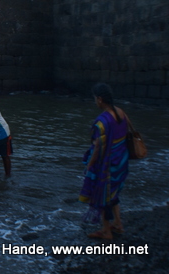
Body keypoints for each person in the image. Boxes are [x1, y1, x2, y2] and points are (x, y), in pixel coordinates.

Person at [79, 83, 129, 240]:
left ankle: (106, 231)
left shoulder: (102, 121)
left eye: (95, 98)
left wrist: (89, 165)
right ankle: (119, 224)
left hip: (107, 166)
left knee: (103, 196)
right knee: (113, 194)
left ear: (100, 100)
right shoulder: (121, 112)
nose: (95, 101)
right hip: (121, 161)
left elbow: (98, 148)